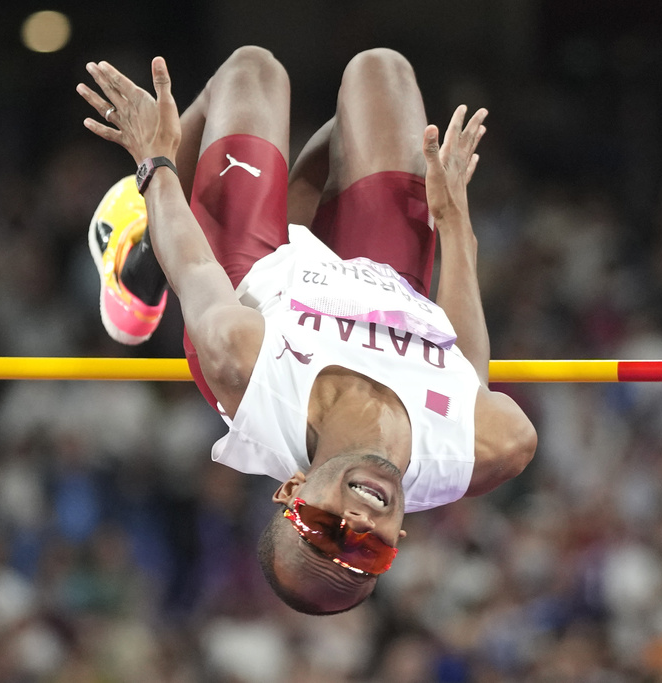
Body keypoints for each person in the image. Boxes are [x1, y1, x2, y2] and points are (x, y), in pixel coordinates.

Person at [76, 46, 537, 614]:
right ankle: (302, 191)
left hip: (253, 283)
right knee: (380, 73)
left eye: (325, 530)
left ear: (292, 490)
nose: (358, 523)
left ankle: (139, 267)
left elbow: (197, 269)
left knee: (253, 71)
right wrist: (454, 225)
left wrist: (155, 160)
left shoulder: (247, 369)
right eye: (369, 552)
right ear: (401, 541)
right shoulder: (493, 446)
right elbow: (464, 373)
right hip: (383, 283)